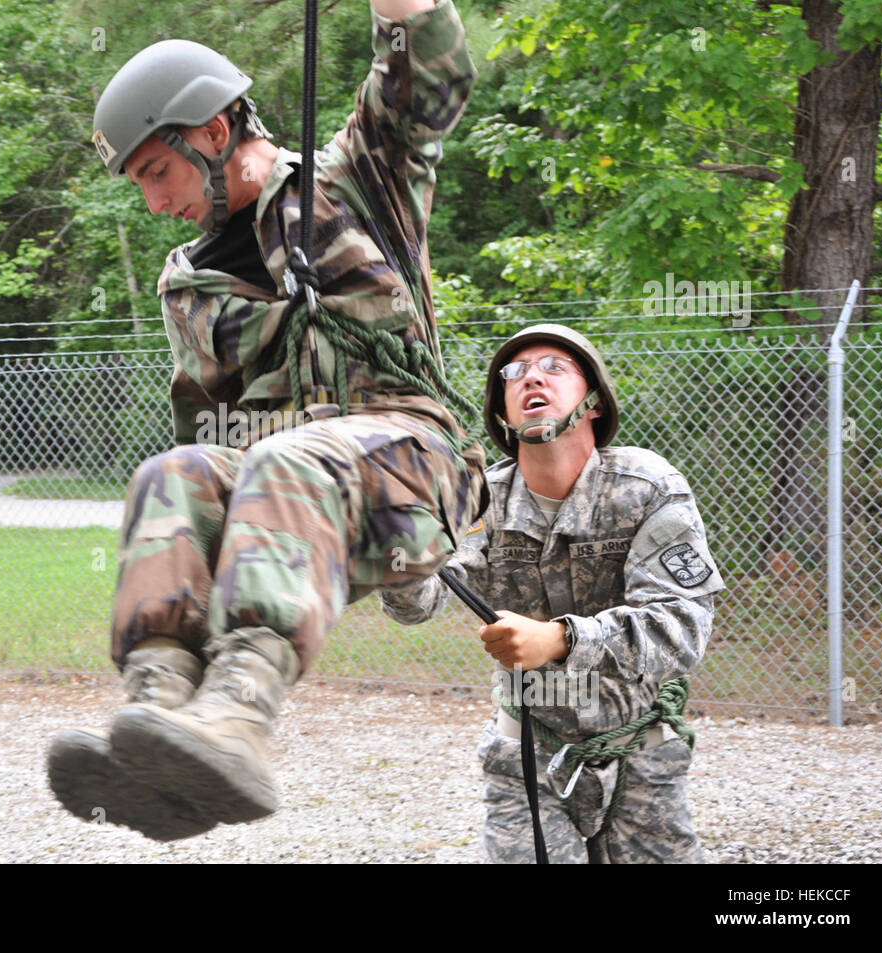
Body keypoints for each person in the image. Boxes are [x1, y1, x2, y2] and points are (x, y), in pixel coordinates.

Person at [47, 0, 486, 841]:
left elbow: (425, 72)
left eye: (154, 172)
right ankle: (159, 712)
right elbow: (209, 434)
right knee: (169, 478)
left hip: (413, 460)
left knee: (287, 457)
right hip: (298, 493)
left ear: (211, 132)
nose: (151, 203)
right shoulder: (191, 283)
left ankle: (241, 715)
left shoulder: (359, 178)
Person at [380, 324, 724, 863]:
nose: (530, 377)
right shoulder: (479, 502)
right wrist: (398, 547)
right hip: (526, 757)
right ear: (503, 414)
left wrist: (561, 639)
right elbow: (419, 604)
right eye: (513, 374)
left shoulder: (647, 488)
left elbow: (682, 628)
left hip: (641, 753)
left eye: (553, 367)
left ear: (593, 404)